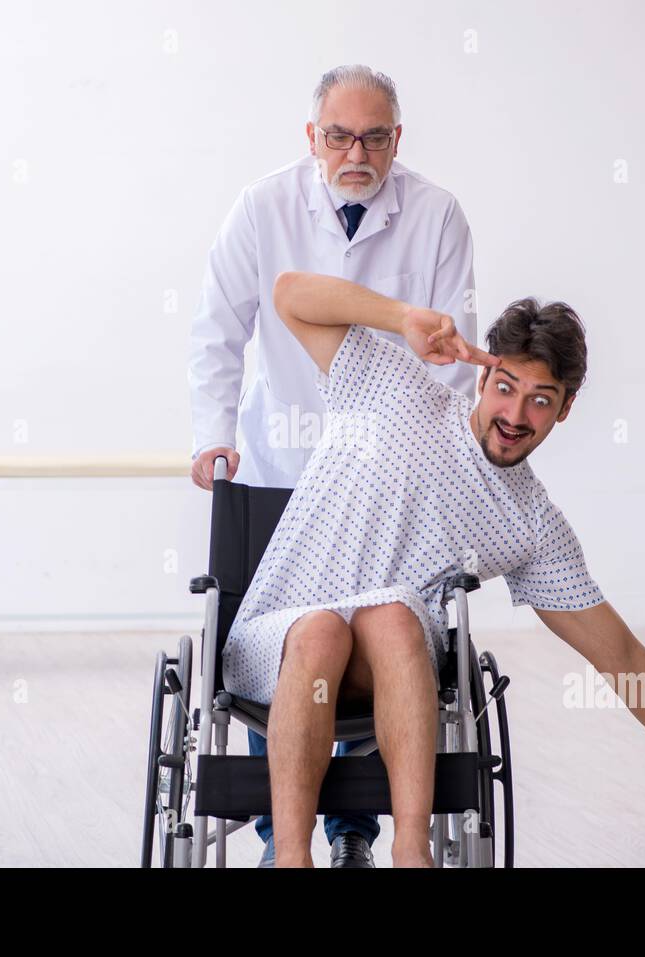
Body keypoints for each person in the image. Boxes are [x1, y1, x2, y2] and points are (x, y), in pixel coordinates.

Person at [222, 270, 645, 868]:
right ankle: (291, 859)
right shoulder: (394, 388)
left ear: (565, 409)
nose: (516, 414)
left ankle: (412, 855)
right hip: (278, 645)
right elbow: (288, 294)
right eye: (506, 387)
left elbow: (618, 655)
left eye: (541, 399)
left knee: (387, 615)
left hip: (385, 664)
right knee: (321, 628)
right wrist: (401, 317)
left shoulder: (531, 523)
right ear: (483, 375)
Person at [187, 64, 477, 868]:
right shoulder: (263, 207)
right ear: (311, 136)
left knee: (381, 628)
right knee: (306, 640)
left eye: (375, 135)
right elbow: (220, 328)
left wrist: (423, 451)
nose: (358, 151)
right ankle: (288, 837)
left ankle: (357, 835)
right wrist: (213, 432)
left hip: (388, 475)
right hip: (283, 461)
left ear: (396, 139)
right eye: (340, 134)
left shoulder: (437, 215)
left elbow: (454, 357)